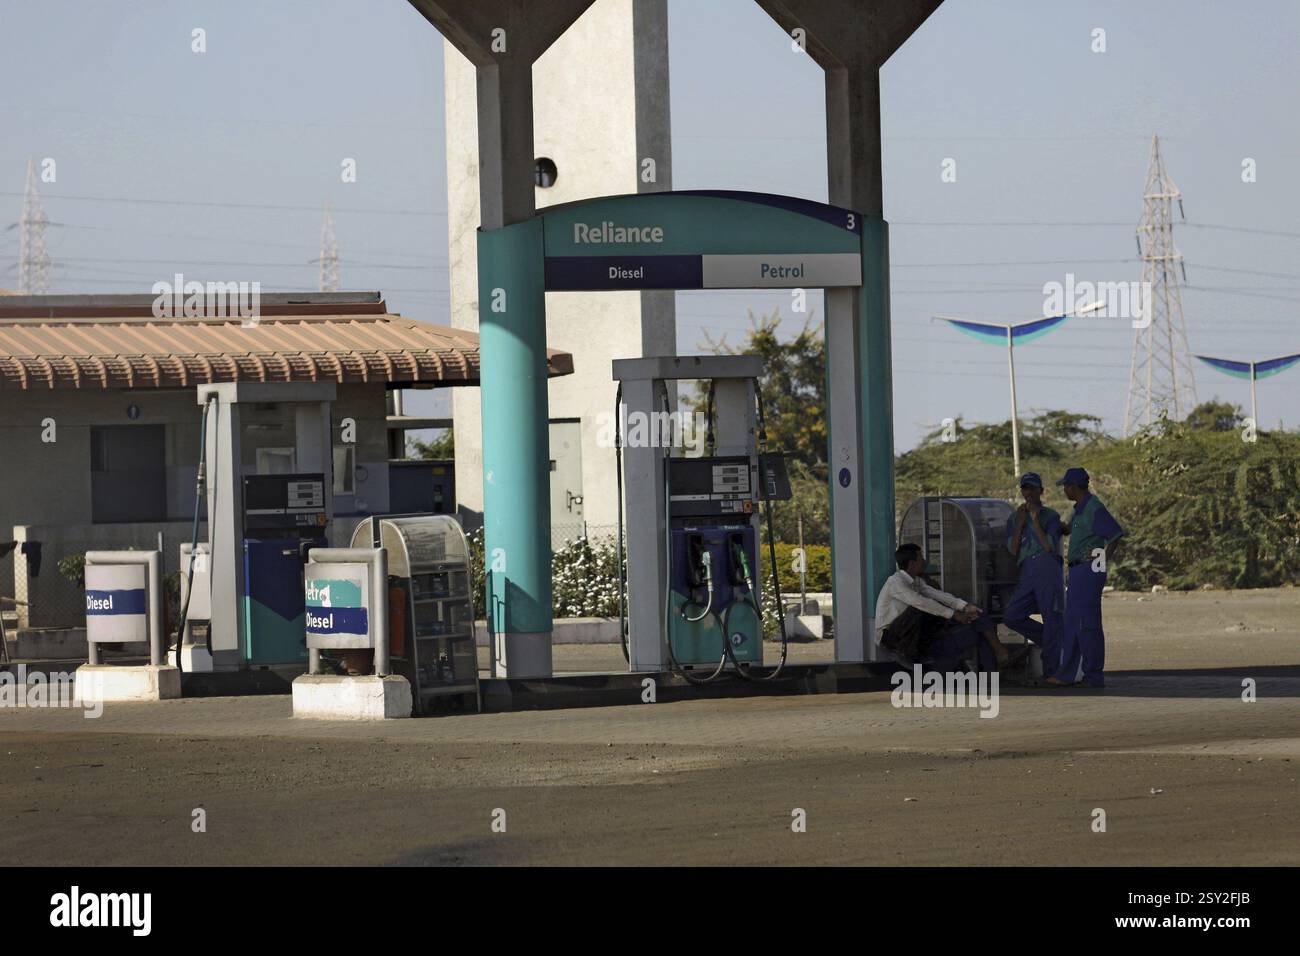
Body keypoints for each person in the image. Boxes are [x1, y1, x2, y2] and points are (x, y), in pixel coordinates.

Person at [876, 542, 1025, 671]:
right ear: (912, 563)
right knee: (921, 605)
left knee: (977, 616)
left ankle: (997, 661)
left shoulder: (916, 582)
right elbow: (921, 602)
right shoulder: (895, 582)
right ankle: (1000, 654)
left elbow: (938, 594)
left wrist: (965, 607)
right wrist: (954, 614)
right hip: (893, 636)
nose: (924, 561)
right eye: (921, 558)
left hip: (914, 631)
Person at [1051, 467, 1125, 689]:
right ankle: (1069, 674)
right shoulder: (1080, 509)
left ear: (1074, 486)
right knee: (1073, 622)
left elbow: (1115, 533)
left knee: (1087, 624)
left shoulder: (1093, 507)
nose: (1064, 489)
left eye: (1066, 486)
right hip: (1078, 570)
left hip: (1088, 570)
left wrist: (1100, 561)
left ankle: (1093, 675)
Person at [1002, 473, 1065, 679]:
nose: (1028, 493)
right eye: (1025, 489)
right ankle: (1049, 640)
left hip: (1048, 568)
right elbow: (1012, 549)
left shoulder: (1051, 516)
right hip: (1027, 569)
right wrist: (1020, 524)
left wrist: (1036, 521)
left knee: (1052, 617)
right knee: (1012, 615)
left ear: (1041, 491)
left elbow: (1048, 546)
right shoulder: (1014, 517)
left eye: (1032, 488)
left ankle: (1052, 672)